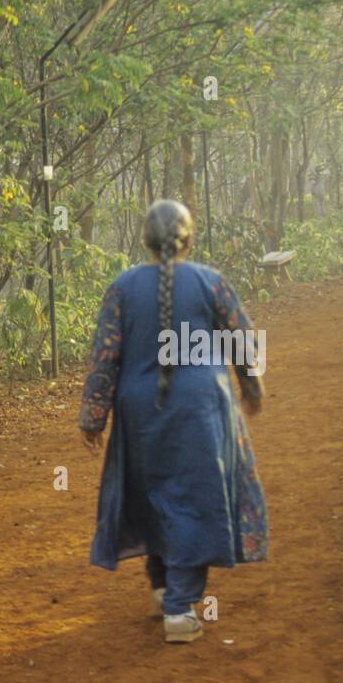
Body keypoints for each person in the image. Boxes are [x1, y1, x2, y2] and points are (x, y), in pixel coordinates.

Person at [79, 199, 268, 644]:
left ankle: (162, 588)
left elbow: (104, 358)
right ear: (189, 238)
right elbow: (243, 342)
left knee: (153, 495)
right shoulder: (210, 282)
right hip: (202, 408)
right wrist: (252, 389)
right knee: (196, 500)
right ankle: (179, 609)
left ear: (145, 239)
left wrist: (92, 416)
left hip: (140, 411)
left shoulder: (122, 287)